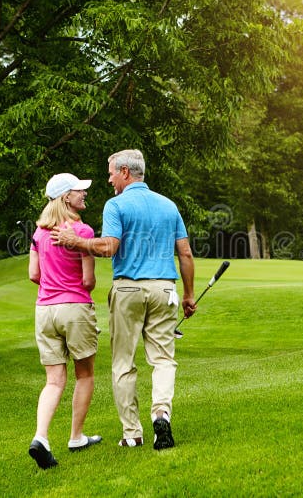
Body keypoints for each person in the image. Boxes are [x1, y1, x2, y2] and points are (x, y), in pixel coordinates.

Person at [51, 149, 196, 450]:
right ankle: (162, 416)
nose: (109, 179)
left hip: (128, 289)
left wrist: (76, 241)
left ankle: (133, 433)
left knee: (123, 362)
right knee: (164, 359)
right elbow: (185, 253)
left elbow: (109, 247)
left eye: (111, 173)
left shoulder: (116, 205)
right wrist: (189, 295)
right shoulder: (169, 206)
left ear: (126, 173)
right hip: (165, 290)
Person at [27, 173, 102, 469]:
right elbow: (88, 280)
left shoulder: (39, 233)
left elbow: (34, 274)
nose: (84, 193)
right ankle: (76, 436)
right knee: (84, 374)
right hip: (75, 308)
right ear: (65, 198)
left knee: (54, 381)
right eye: (78, 190)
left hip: (44, 310)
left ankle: (41, 437)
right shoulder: (82, 231)